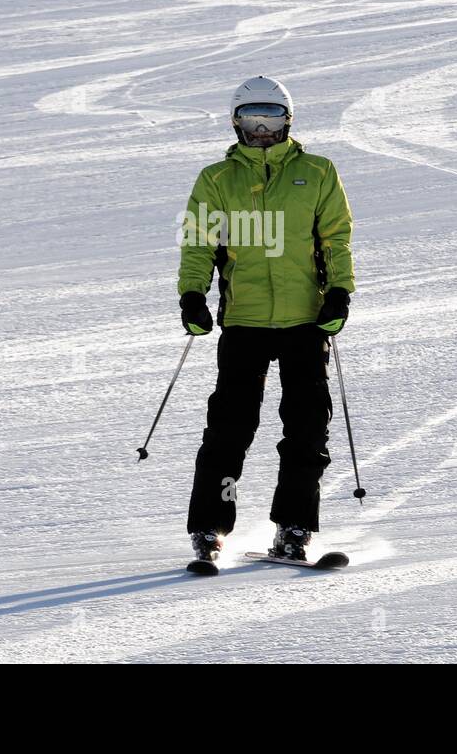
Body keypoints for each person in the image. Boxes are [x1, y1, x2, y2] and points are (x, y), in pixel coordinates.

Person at [177, 76, 355, 564]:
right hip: (245, 322)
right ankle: (210, 528)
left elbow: (334, 239)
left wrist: (339, 292)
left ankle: (294, 528)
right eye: (251, 118)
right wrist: (193, 294)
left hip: (305, 321)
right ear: (235, 121)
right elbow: (199, 243)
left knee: (306, 428)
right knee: (230, 427)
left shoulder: (318, 173)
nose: (261, 129)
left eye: (271, 117)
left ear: (289, 119)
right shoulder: (217, 179)